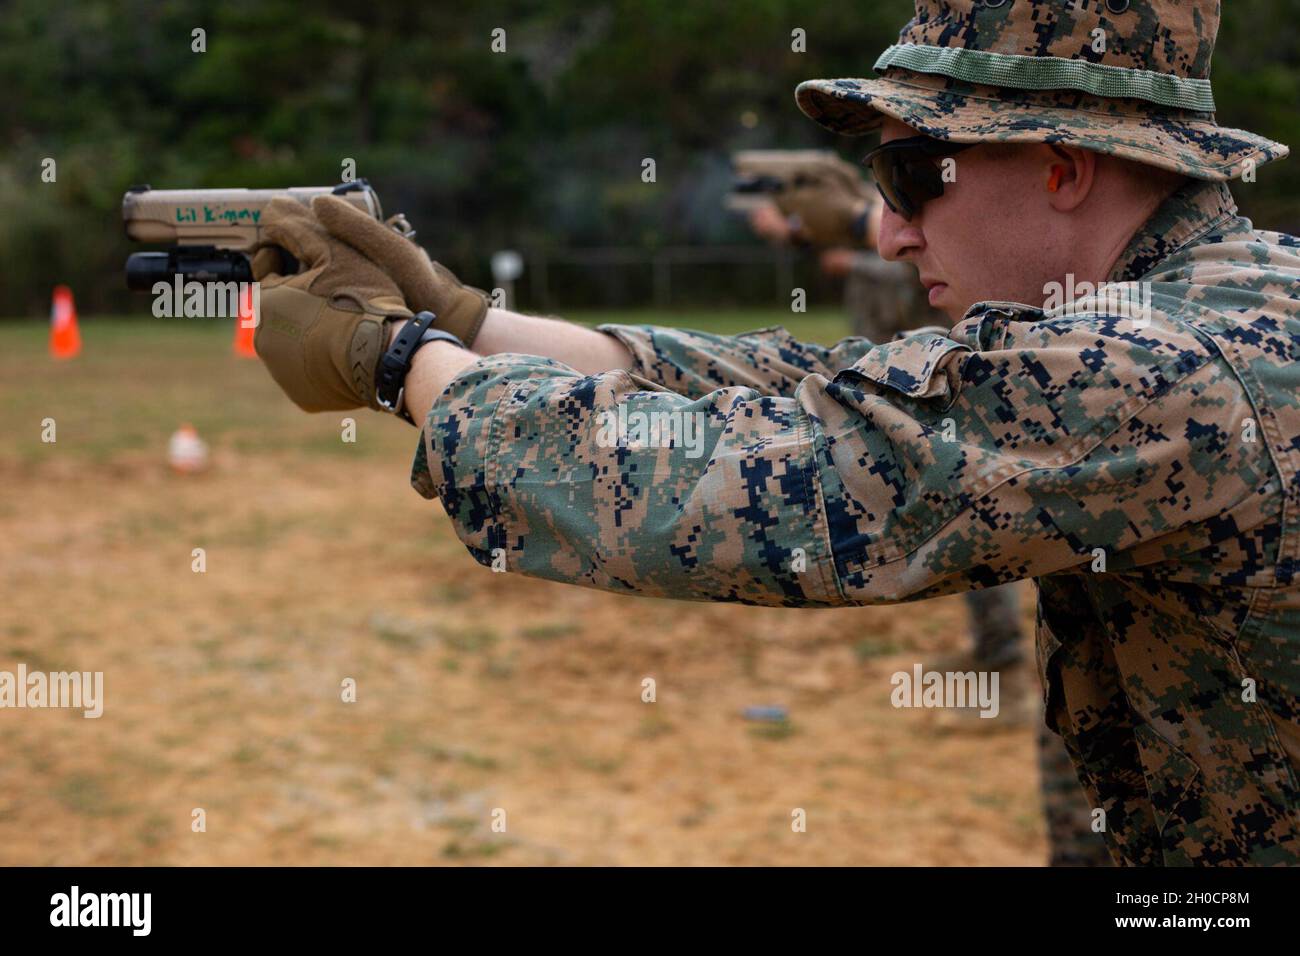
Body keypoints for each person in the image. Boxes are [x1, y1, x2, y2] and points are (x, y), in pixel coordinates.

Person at [251, 0, 1299, 865]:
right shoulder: (1210, 307)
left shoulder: (1162, 370)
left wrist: (399, 366)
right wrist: (471, 324)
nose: (888, 228)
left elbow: (756, 489)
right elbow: (819, 389)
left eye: (913, 175)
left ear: (1063, 167)